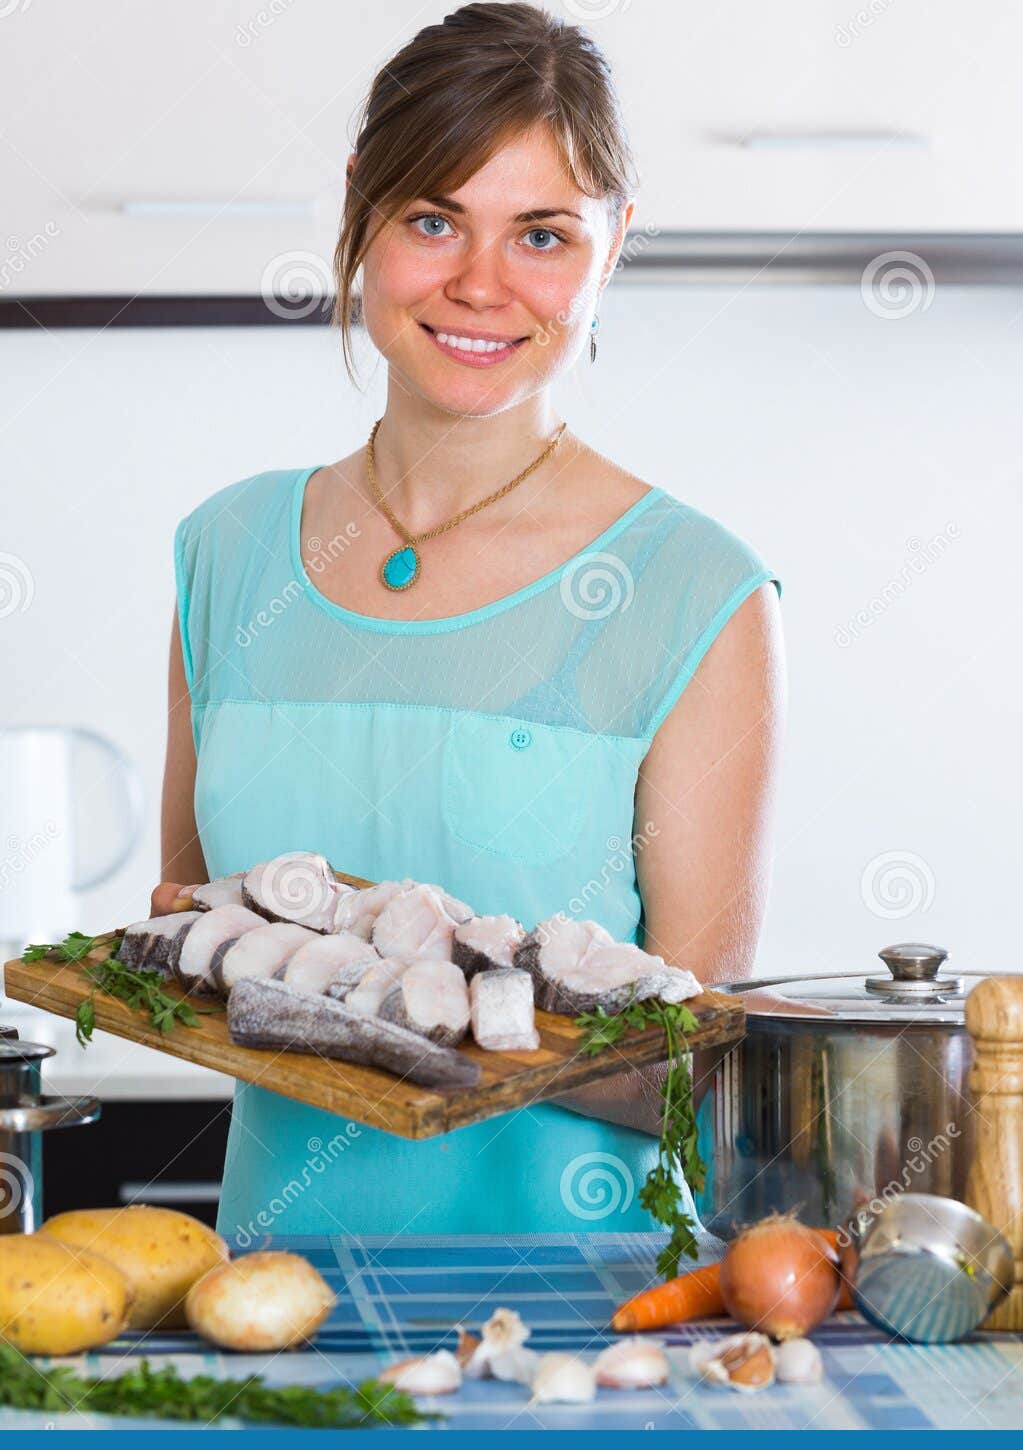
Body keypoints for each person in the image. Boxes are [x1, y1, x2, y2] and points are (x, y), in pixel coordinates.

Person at [151, 3, 784, 1246]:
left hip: (588, 1328)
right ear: (361, 215)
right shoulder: (225, 553)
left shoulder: (694, 589)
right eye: (432, 219)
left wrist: (406, 991)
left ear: (615, 244)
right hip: (275, 1306)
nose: (480, 284)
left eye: (541, 233)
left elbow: (695, 1070)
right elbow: (189, 932)